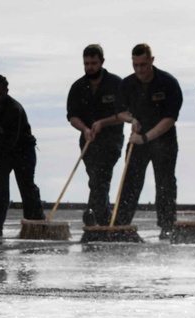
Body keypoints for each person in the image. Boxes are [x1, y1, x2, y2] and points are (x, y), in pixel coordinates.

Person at [114, 44, 183, 240]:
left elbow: (170, 118)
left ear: (152, 60)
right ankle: (121, 224)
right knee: (130, 182)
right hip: (137, 139)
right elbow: (119, 111)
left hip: (164, 139)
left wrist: (146, 137)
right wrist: (131, 119)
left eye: (143, 65)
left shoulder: (168, 83)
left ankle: (167, 225)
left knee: (165, 183)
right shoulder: (127, 83)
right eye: (135, 65)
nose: (139, 70)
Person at [0, 75, 45, 236]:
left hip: (23, 150)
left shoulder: (14, 110)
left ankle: (35, 223)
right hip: (4, 149)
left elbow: (10, 143)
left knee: (26, 186)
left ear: (6, 92)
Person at [67, 44, 124, 227]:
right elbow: (72, 116)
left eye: (93, 63)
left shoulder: (116, 84)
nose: (90, 67)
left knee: (102, 176)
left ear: (102, 62)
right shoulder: (77, 87)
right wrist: (84, 129)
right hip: (88, 141)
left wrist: (102, 123)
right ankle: (105, 218)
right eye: (86, 63)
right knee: (95, 180)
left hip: (111, 140)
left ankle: (92, 213)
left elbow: (125, 114)